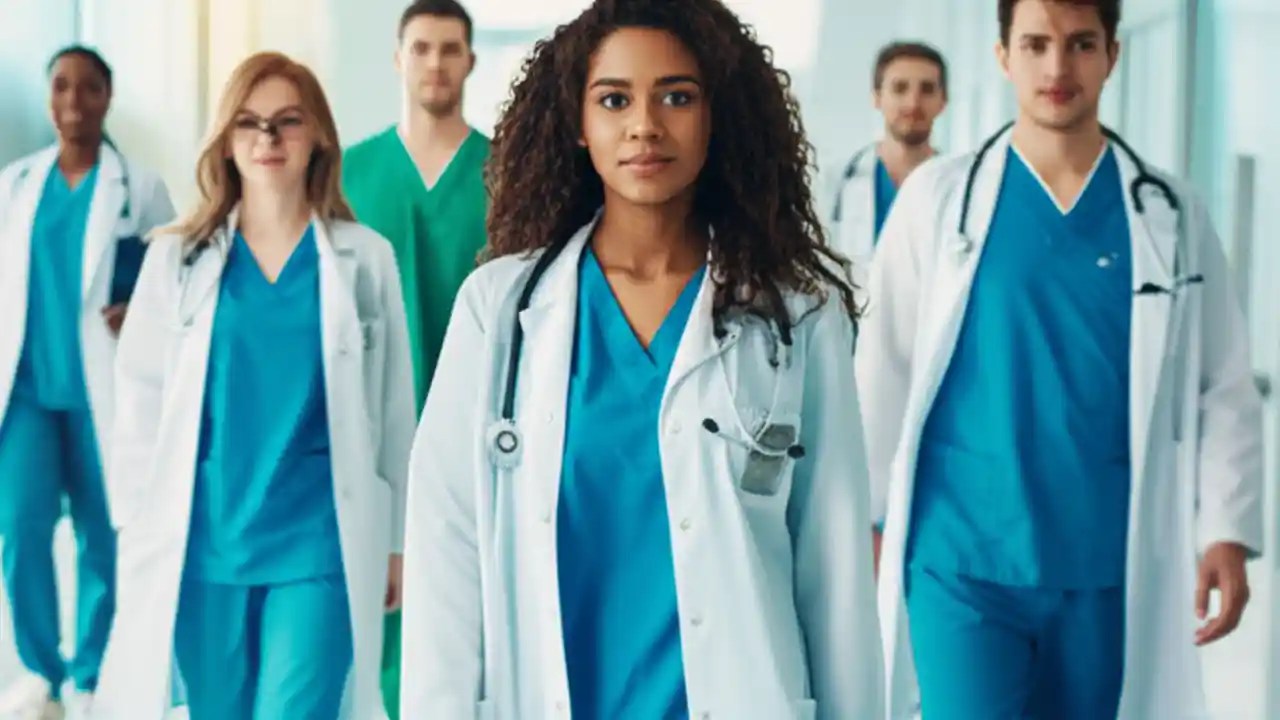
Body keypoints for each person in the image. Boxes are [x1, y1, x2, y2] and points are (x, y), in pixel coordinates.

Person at [399, 0, 884, 718]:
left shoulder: (796, 318)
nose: (645, 125)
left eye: (677, 97)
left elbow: (834, 567)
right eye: (615, 99)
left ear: (717, 117)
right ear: (577, 122)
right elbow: (448, 547)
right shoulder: (500, 312)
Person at [857, 1, 1265, 718]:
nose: (1056, 67)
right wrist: (863, 513)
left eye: (1080, 44)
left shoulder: (1170, 212)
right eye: (1036, 44)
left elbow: (1221, 382)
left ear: (1112, 54)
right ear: (1003, 56)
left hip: (1105, 563)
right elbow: (882, 365)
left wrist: (1225, 528)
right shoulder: (938, 201)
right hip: (960, 559)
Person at [89, 51, 415, 720]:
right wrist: (132, 525)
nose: (268, 139)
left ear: (319, 134)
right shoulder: (177, 258)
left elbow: (393, 409)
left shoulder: (363, 259)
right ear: (227, 140)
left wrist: (397, 542)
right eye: (250, 123)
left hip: (318, 541)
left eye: (287, 122)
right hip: (203, 539)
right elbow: (141, 401)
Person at [0, 46, 174, 720]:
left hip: (106, 389)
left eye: (88, 88)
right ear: (49, 97)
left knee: (105, 536)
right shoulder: (15, 186)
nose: (73, 101)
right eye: (61, 87)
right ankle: (41, 673)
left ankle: (93, 670)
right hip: (27, 397)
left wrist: (144, 310)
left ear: (108, 96)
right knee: (21, 531)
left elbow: (178, 277)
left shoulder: (141, 187)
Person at [339, 3, 489, 713]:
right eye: (422, 48)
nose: (436, 63)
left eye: (450, 49)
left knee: (468, 593)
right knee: (381, 589)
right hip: (369, 424)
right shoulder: (349, 172)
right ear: (398, 59)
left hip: (478, 424)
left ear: (470, 61)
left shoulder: (504, 172)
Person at [829, 41, 947, 288]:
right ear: (877, 97)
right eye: (899, 88)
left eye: (927, 89)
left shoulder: (958, 187)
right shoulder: (835, 182)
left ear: (943, 101)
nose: (913, 103)